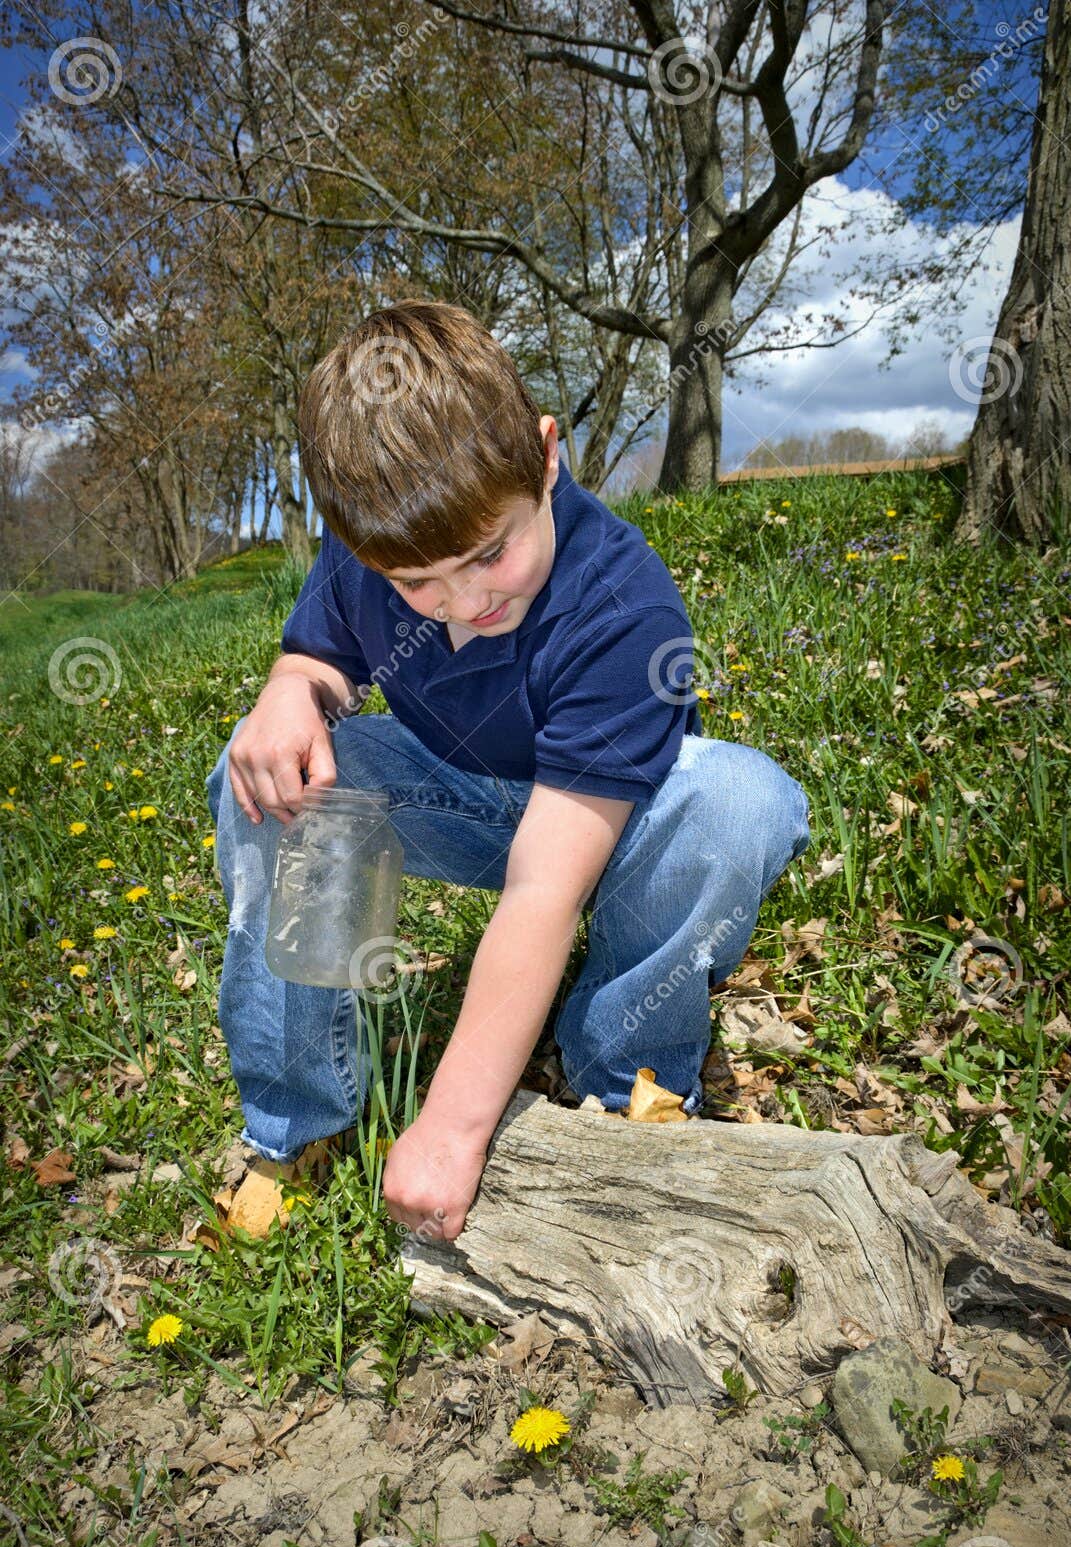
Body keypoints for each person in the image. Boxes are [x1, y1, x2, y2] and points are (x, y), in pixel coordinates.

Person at [205, 299, 811, 1243]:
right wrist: (290, 689)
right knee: (264, 775)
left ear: (544, 454)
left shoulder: (622, 608)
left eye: (491, 553)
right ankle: (296, 1121)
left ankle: (628, 1081)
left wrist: (451, 1125)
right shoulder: (381, 540)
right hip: (463, 802)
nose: (464, 601)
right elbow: (318, 656)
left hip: (609, 834)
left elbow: (543, 887)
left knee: (738, 801)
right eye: (419, 585)